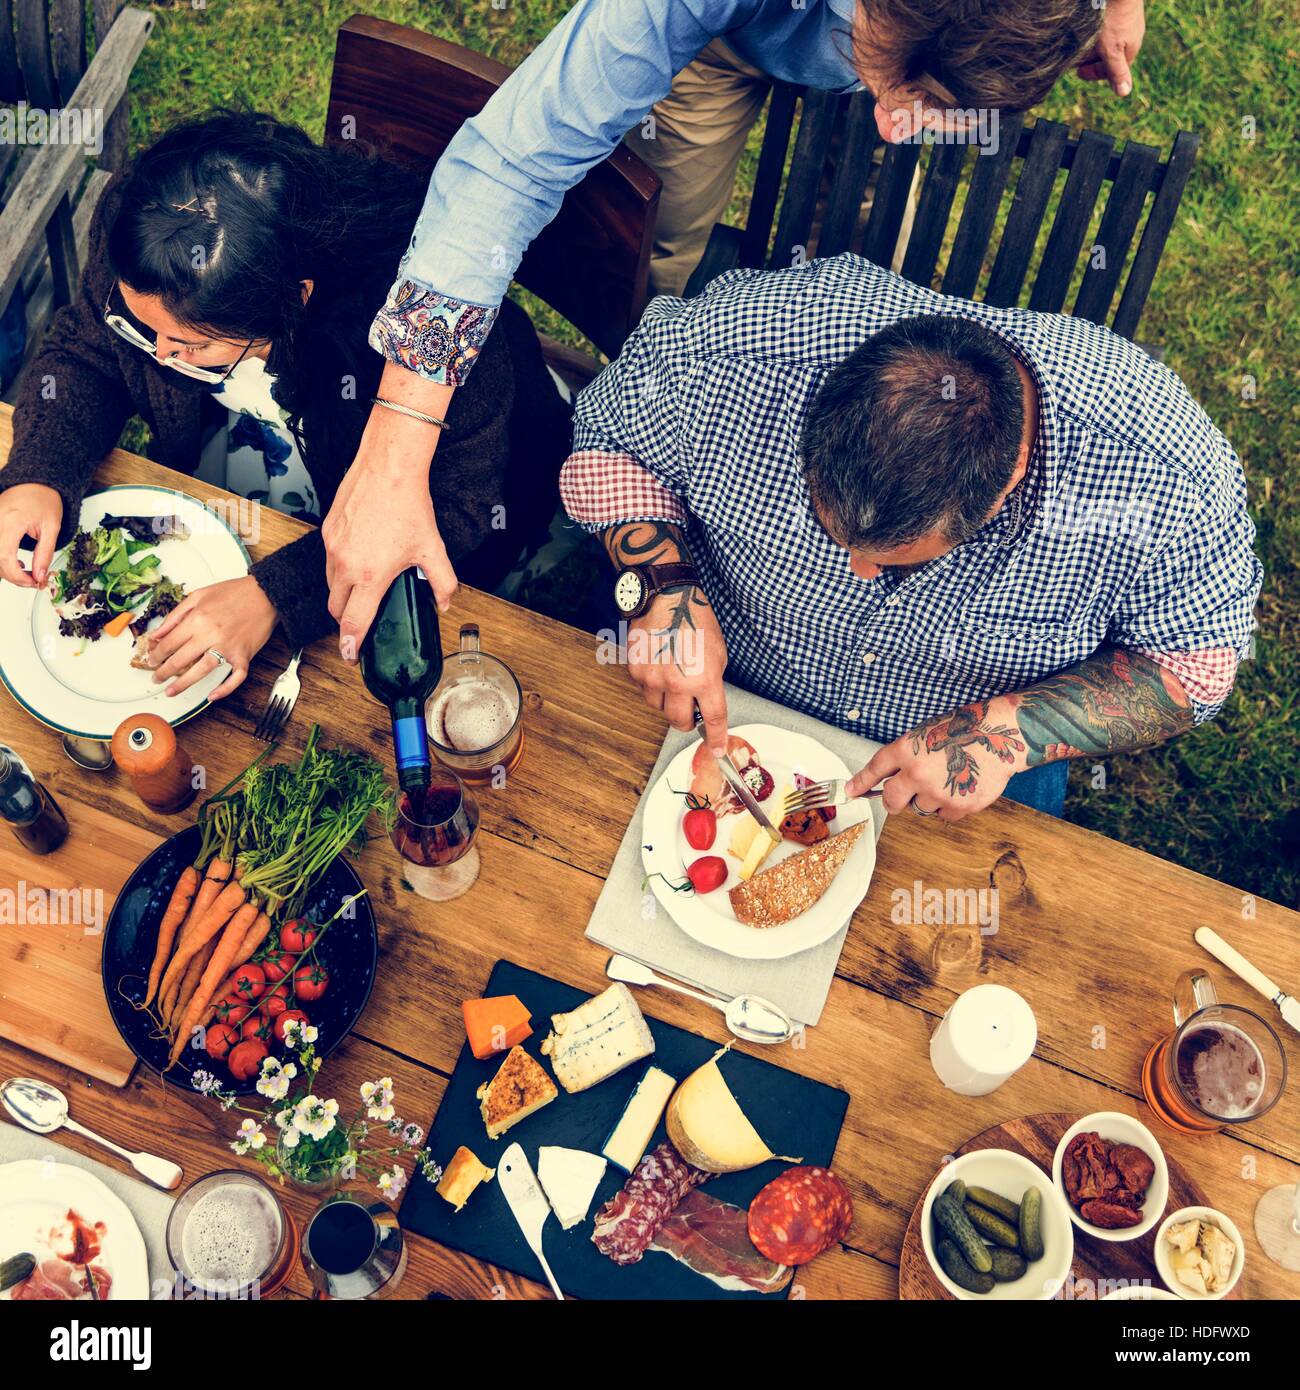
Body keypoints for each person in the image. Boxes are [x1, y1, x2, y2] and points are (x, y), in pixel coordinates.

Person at [325, 0, 1148, 651]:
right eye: (900, 80)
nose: (893, 126)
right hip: (732, 42)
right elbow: (516, 160)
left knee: (892, 290)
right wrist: (396, 445)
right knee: (656, 249)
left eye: (933, 104)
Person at [558, 255, 1261, 820]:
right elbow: (606, 436)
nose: (855, 573)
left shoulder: (1163, 477)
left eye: (891, 557)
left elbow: (1196, 664)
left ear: (1009, 480)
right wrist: (658, 590)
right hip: (723, 696)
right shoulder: (739, 348)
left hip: (964, 772)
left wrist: (1009, 733)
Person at [0, 112, 570, 702]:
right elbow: (90, 349)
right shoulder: (142, 233)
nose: (157, 355)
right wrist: (39, 470)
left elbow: (456, 509)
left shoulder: (428, 334)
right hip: (269, 446)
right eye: (145, 328)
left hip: (476, 486)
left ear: (295, 298)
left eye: (192, 344)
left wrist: (273, 595)